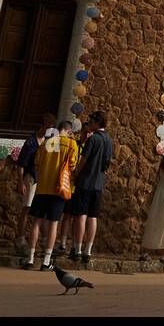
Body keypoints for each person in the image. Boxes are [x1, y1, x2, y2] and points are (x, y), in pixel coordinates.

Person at [22, 120, 79, 272]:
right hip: (58, 190)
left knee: (36, 223)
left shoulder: (46, 143)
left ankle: (30, 258)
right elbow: (72, 166)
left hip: (42, 188)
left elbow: (37, 164)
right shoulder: (71, 144)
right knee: (53, 224)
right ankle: (46, 261)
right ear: (68, 131)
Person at [64, 110, 113, 265]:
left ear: (98, 123)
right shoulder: (109, 141)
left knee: (81, 215)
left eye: (91, 122)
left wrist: (76, 173)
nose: (89, 124)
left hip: (85, 182)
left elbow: (83, 160)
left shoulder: (93, 140)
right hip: (98, 183)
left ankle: (77, 249)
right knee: (93, 217)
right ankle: (88, 250)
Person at [11, 112, 56, 255]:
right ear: (41, 126)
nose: (49, 130)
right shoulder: (30, 142)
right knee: (27, 208)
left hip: (44, 180)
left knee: (41, 211)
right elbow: (21, 164)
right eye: (48, 127)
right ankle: (21, 240)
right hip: (31, 178)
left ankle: (44, 240)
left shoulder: (50, 141)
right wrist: (20, 182)